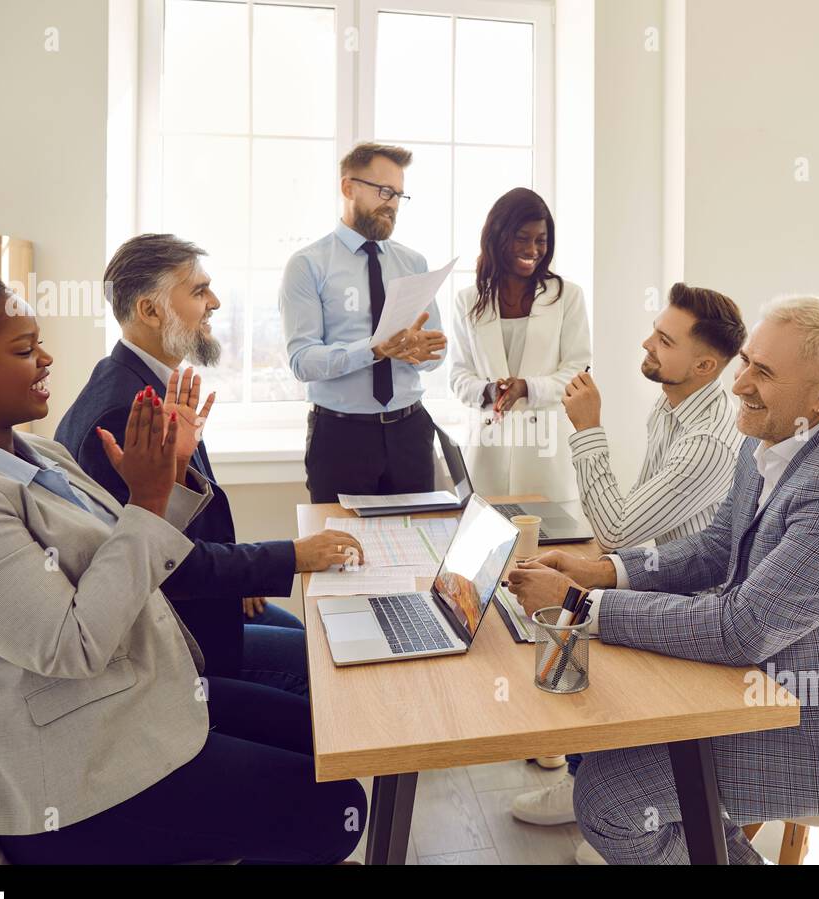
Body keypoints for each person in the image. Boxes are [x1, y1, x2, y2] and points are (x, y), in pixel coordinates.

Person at [0, 256, 365, 863]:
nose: (45, 361)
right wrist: (146, 502)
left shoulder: (35, 453)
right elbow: (71, 646)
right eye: (23, 352)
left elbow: (126, 560)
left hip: (142, 699)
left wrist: (168, 480)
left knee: (328, 740)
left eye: (38, 345)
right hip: (81, 776)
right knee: (336, 810)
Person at [506, 296, 819, 865]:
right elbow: (716, 548)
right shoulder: (772, 434)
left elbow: (740, 631)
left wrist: (578, 602)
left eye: (763, 373)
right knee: (604, 720)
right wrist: (600, 570)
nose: (740, 385)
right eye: (746, 362)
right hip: (772, 686)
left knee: (609, 799)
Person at [57, 234, 359, 692]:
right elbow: (156, 563)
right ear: (150, 311)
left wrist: (241, 576)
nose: (214, 302)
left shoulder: (139, 381)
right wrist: (294, 556)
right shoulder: (125, 412)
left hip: (195, 604)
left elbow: (175, 530)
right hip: (168, 643)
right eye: (199, 291)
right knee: (326, 669)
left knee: (311, 640)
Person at [510, 281, 747, 829]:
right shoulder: (671, 406)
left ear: (706, 365)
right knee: (556, 613)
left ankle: (608, 803)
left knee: (571, 626)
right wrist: (604, 568)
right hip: (665, 577)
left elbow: (617, 528)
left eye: (664, 340)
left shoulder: (709, 439)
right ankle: (580, 786)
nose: (647, 343)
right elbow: (637, 526)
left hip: (695, 608)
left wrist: (588, 428)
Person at [282, 141, 448, 503]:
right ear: (348, 188)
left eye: (399, 195)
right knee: (341, 553)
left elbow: (436, 356)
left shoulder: (414, 263)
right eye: (385, 191)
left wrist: (424, 351)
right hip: (341, 437)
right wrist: (373, 350)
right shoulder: (308, 265)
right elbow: (302, 361)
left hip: (411, 432)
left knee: (420, 548)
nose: (392, 203)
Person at [449, 187, 591, 501]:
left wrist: (526, 388)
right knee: (491, 545)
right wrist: (490, 392)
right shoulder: (468, 301)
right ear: (498, 237)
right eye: (522, 238)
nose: (533, 249)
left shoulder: (567, 297)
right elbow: (459, 376)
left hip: (546, 451)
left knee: (551, 543)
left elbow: (576, 372)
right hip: (488, 449)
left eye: (541, 240)